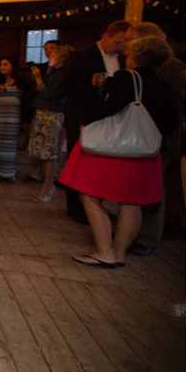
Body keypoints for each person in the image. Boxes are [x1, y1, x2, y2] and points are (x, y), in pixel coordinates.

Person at [58, 36, 177, 268]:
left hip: (114, 150)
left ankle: (104, 251)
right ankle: (120, 254)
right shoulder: (161, 83)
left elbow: (110, 108)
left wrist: (86, 120)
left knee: (89, 196)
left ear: (135, 54)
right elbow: (170, 120)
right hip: (144, 152)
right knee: (131, 202)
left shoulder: (126, 77)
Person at [121, 23, 186, 256]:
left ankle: (147, 236)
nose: (124, 44)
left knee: (155, 188)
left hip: (162, 138)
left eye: (128, 39)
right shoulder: (141, 67)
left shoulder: (172, 67)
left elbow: (177, 107)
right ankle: (131, 232)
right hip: (142, 137)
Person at [62, 20, 130, 223]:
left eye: (123, 43)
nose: (119, 46)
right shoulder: (82, 56)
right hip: (83, 115)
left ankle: (96, 206)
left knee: (102, 163)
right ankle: (75, 207)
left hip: (112, 118)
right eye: (118, 41)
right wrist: (97, 87)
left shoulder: (124, 59)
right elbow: (67, 84)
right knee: (78, 161)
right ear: (108, 35)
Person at [28, 45, 73, 202]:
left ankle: (47, 188)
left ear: (61, 58)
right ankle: (47, 187)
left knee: (50, 154)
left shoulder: (63, 74)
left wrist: (39, 78)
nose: (49, 57)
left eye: (52, 54)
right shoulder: (52, 73)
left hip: (52, 116)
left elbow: (48, 94)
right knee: (43, 153)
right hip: (43, 114)